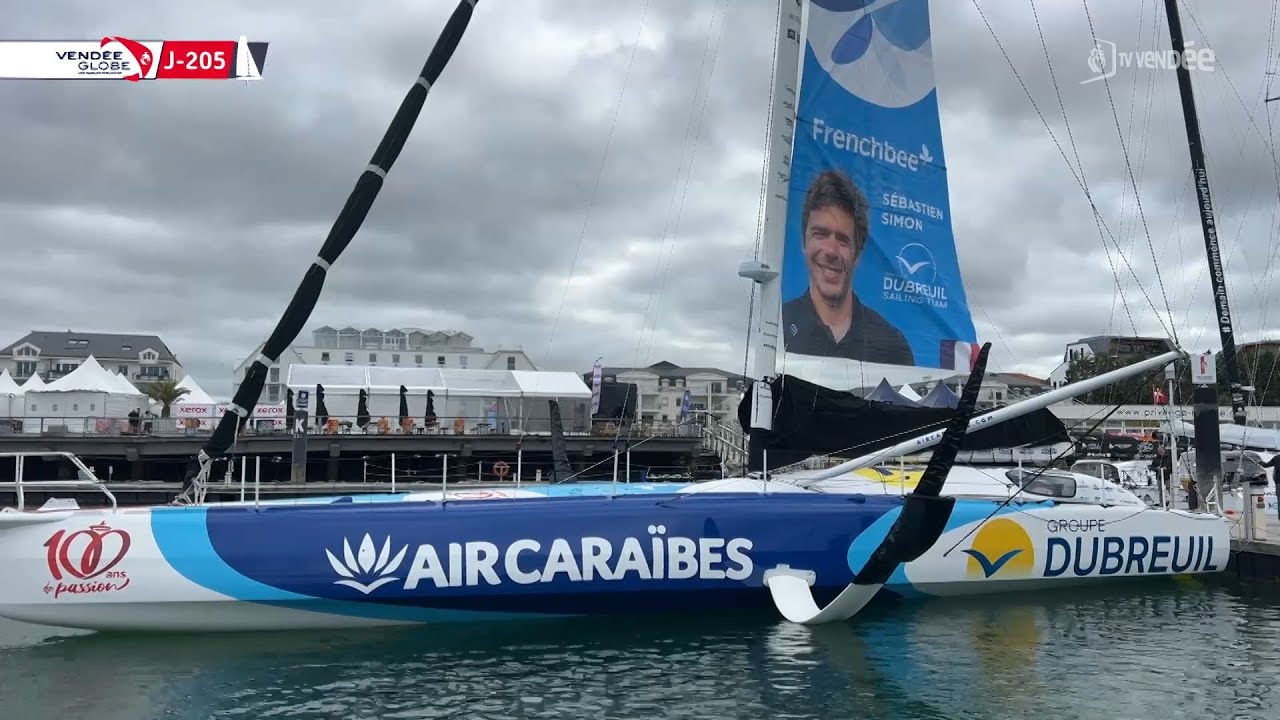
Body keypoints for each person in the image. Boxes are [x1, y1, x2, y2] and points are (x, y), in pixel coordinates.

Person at [781, 169, 913, 364]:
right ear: (804, 242)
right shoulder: (776, 328)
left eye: (843, 240)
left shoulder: (893, 346)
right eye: (820, 234)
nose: (831, 251)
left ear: (857, 254)